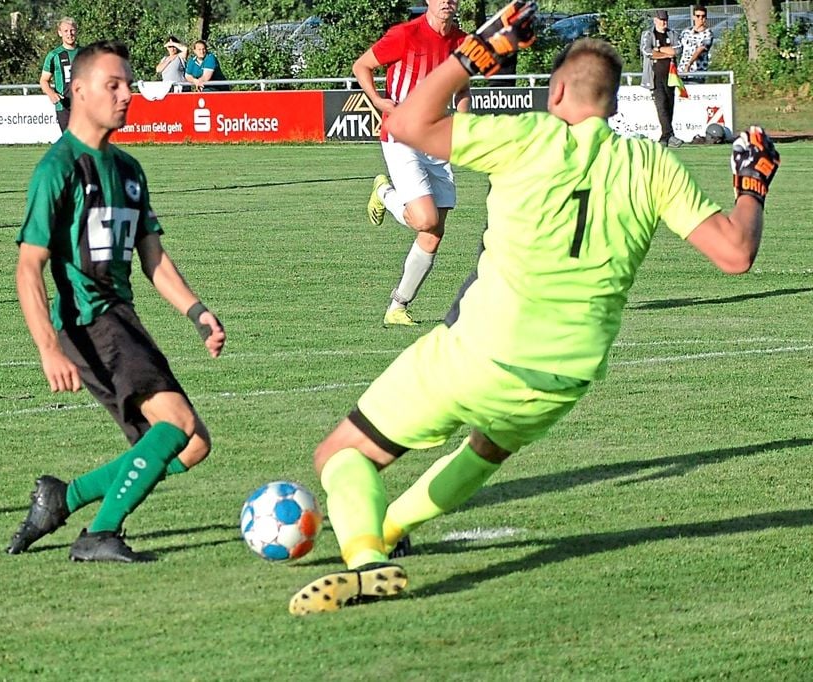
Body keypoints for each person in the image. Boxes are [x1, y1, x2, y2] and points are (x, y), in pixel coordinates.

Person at [286, 3, 780, 615]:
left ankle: (365, 562)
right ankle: (390, 528)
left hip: (479, 353)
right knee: (487, 447)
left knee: (342, 454)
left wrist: (475, 53)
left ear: (559, 92)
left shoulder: (527, 137)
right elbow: (735, 253)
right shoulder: (652, 164)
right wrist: (751, 188)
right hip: (563, 379)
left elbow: (408, 123)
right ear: (612, 102)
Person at [7, 40, 227, 563]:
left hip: (122, 320)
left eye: (128, 83)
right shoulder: (58, 168)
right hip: (89, 321)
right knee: (176, 425)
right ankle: (99, 533)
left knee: (194, 444)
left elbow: (153, 256)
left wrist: (197, 312)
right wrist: (48, 347)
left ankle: (64, 498)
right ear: (79, 92)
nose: (127, 93)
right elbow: (28, 266)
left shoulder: (129, 169)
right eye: (114, 85)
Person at [354, 0, 472, 326]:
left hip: (436, 138)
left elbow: (462, 88)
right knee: (424, 219)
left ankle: (397, 307)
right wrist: (378, 100)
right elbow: (362, 66)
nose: (447, 1)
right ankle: (385, 194)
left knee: (434, 232)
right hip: (402, 133)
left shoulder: (463, 42)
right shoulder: (405, 34)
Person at [640, 10, 683, 147]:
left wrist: (658, 49)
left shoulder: (673, 34)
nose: (664, 23)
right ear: (655, 20)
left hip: (670, 76)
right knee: (661, 106)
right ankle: (670, 135)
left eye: (665, 20)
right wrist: (665, 53)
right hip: (654, 77)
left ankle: (665, 138)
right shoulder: (648, 34)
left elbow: (677, 50)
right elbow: (647, 51)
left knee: (669, 106)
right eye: (661, 20)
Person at [40, 17, 80, 131]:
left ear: (76, 31)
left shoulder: (85, 53)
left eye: (72, 30)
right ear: (60, 33)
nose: (69, 34)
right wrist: (51, 94)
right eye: (65, 31)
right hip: (64, 106)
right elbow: (44, 80)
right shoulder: (54, 55)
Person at [679, 5, 714, 77]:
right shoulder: (685, 32)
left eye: (703, 16)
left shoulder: (708, 33)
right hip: (682, 71)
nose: (700, 18)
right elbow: (679, 48)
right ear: (693, 17)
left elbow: (699, 50)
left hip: (698, 72)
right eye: (698, 16)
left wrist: (689, 64)